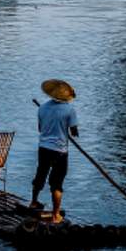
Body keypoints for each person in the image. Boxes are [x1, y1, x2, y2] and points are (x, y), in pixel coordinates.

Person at [31, 79, 78, 223]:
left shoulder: (43, 108)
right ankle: (55, 214)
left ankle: (34, 201)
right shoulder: (69, 110)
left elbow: (40, 129)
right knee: (57, 183)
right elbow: (74, 131)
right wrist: (70, 131)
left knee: (41, 174)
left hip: (43, 148)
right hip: (60, 151)